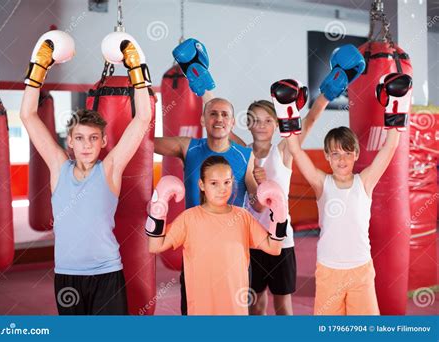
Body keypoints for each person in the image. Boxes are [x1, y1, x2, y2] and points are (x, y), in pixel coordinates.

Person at [20, 30, 152, 314]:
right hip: (67, 276)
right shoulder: (58, 167)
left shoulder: (110, 170)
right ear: (70, 142)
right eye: (79, 138)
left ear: (104, 142)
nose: (87, 144)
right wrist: (38, 68)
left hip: (107, 275)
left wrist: (137, 70)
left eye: (93, 138)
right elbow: (28, 116)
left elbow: (143, 118)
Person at [230, 44, 366, 315]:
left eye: (267, 120)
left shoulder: (284, 150)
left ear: (276, 124)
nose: (260, 125)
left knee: (283, 304)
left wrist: (327, 93)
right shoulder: (241, 151)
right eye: (254, 120)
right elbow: (218, 127)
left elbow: (312, 119)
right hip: (251, 240)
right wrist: (201, 83)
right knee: (254, 304)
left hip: (283, 240)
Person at [284, 72, 412, 315]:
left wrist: (397, 102)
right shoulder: (321, 183)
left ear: (355, 155)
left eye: (346, 153)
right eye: (335, 153)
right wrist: (286, 112)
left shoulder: (365, 182)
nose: (341, 159)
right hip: (329, 270)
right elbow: (295, 150)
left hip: (360, 270)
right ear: (327, 157)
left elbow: (391, 145)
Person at [155, 38, 262, 314]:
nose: (219, 119)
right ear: (203, 119)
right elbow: (147, 143)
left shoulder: (243, 156)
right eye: (213, 114)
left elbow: (256, 200)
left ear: (232, 121)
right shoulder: (187, 147)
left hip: (234, 251)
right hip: (196, 250)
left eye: (225, 115)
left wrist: (267, 196)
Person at [146, 156, 287, 315]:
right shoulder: (189, 218)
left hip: (235, 309)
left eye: (227, 182)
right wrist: (158, 210)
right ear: (202, 185)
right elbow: (155, 246)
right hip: (201, 309)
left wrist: (279, 216)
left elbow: (274, 248)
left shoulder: (242, 217)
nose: (222, 189)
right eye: (214, 183)